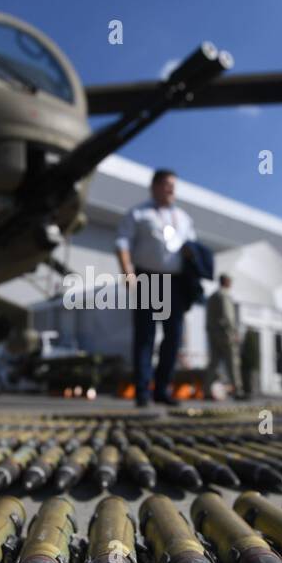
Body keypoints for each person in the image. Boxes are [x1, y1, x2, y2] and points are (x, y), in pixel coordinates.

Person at [115, 169, 197, 406]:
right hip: (148, 278)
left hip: (175, 281)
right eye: (166, 184)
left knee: (174, 336)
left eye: (173, 185)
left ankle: (162, 389)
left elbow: (191, 247)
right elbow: (122, 242)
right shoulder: (139, 213)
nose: (171, 189)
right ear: (154, 187)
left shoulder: (183, 218)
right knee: (145, 335)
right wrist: (128, 272)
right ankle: (142, 390)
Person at [205, 273, 242, 400]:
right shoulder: (224, 295)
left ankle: (207, 391)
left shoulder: (212, 297)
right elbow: (228, 316)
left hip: (213, 333)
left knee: (213, 363)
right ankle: (238, 390)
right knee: (232, 362)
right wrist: (234, 332)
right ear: (226, 282)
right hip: (225, 334)